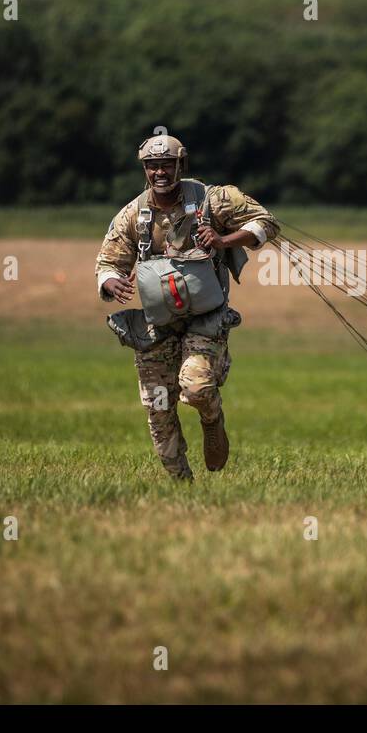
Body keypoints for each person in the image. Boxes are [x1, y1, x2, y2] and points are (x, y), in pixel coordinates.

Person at [97, 133, 278, 480]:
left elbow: (265, 223)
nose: (159, 172)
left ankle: (212, 421)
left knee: (195, 388)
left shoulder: (215, 200)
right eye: (152, 166)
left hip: (205, 319)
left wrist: (224, 239)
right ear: (144, 169)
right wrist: (110, 281)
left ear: (181, 164)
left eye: (166, 164)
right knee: (159, 408)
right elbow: (108, 262)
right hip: (157, 325)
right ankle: (183, 489)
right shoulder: (134, 214)